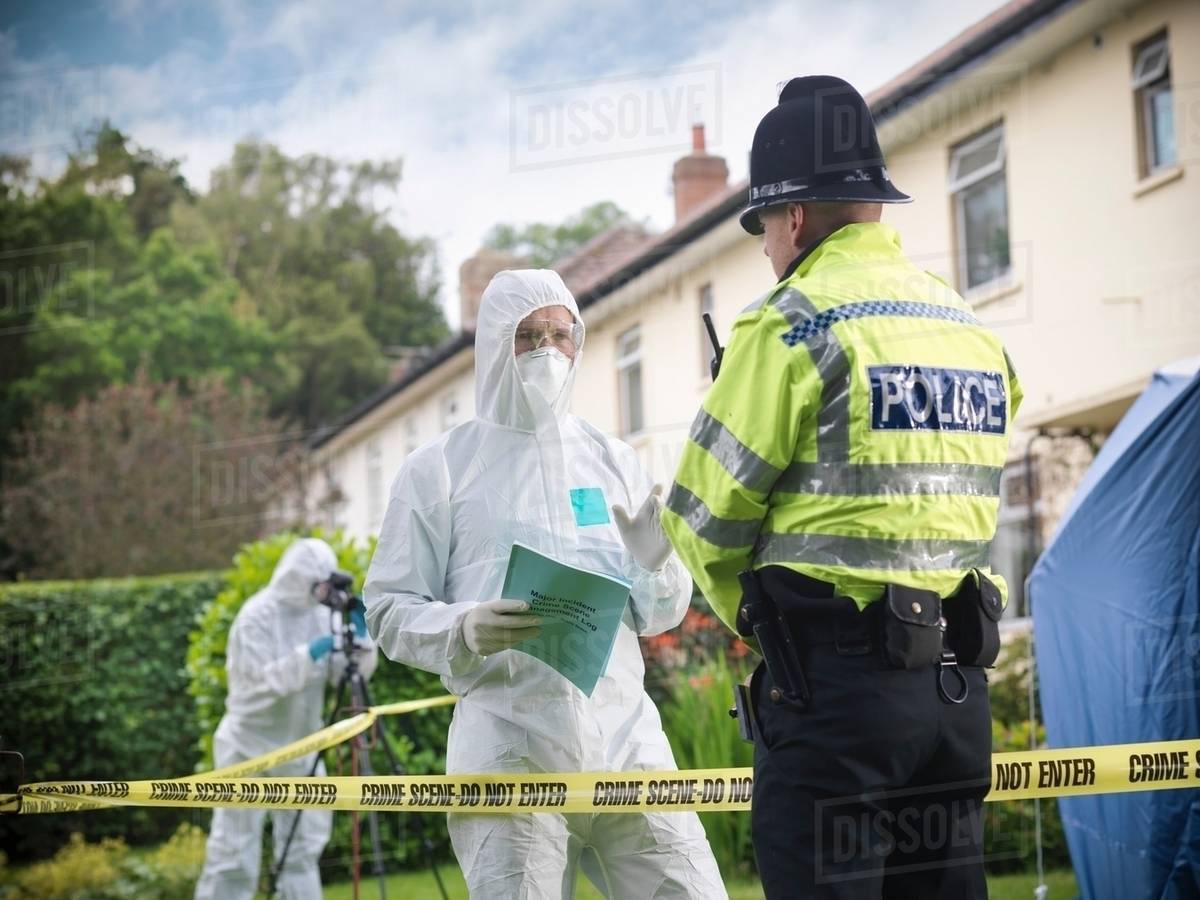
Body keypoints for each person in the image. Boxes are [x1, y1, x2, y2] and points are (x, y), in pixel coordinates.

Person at [661, 76, 1023, 899]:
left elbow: (699, 518)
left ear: (790, 218)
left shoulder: (787, 324)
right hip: (956, 700)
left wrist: (762, 622)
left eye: (762, 229)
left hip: (837, 707)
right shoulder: (969, 329)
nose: (764, 248)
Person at [364, 269, 726, 899]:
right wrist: (462, 626)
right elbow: (388, 608)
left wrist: (652, 564)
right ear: (492, 345)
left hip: (625, 738)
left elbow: (660, 614)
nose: (547, 351)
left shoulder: (610, 459)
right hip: (508, 745)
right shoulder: (438, 470)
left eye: (562, 335)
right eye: (527, 336)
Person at [195, 537, 377, 900]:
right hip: (246, 749)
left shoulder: (321, 613)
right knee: (233, 851)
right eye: (320, 584)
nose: (325, 592)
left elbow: (349, 673)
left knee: (301, 851)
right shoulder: (255, 617)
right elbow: (255, 688)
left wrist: (362, 638)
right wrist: (307, 655)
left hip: (299, 748)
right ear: (298, 578)